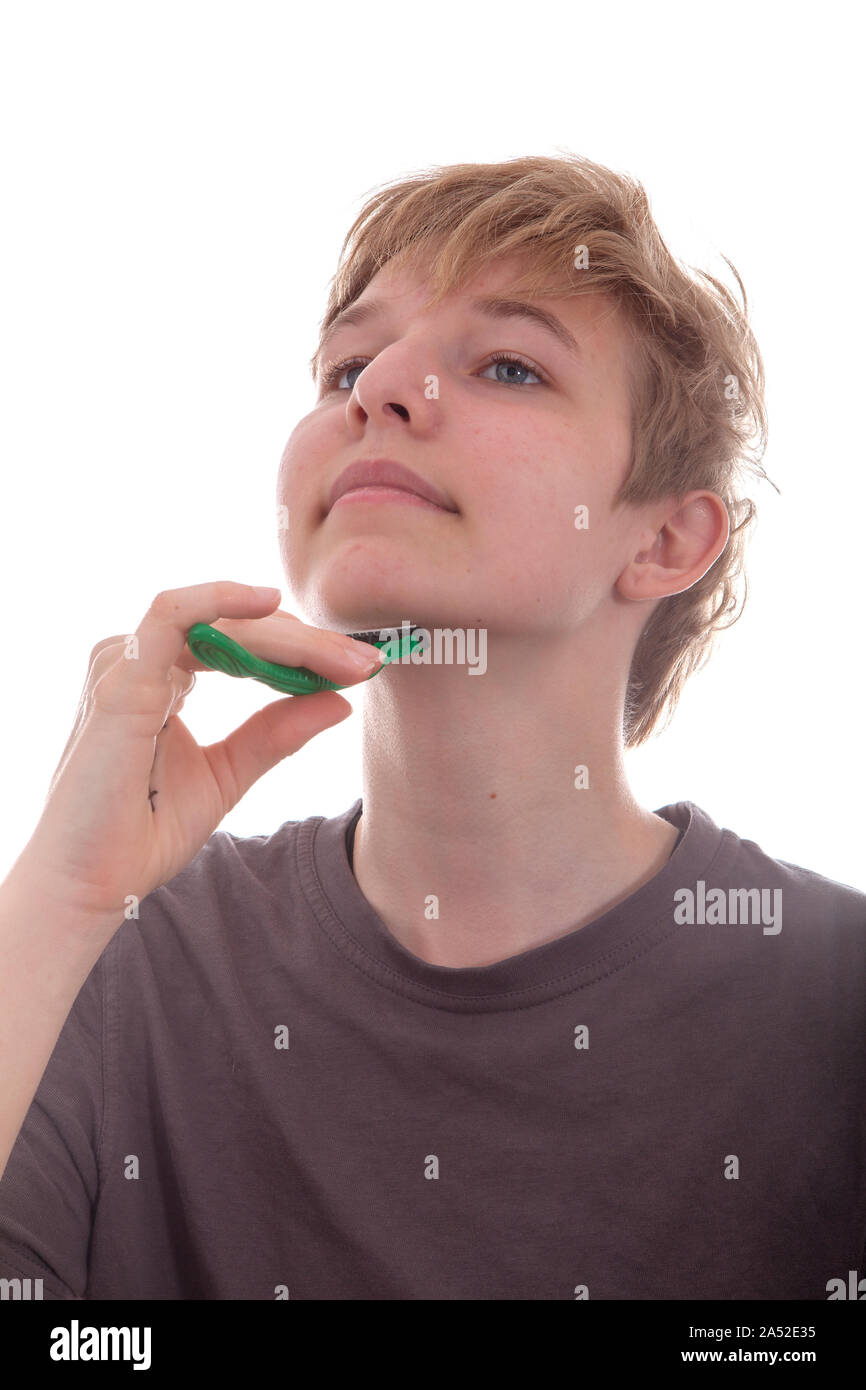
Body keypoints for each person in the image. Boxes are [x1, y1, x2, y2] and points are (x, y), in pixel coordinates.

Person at [0, 154, 863, 1301]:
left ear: (663, 540)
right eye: (343, 365)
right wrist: (60, 896)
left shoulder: (833, 996)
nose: (378, 387)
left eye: (508, 366)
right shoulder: (108, 958)